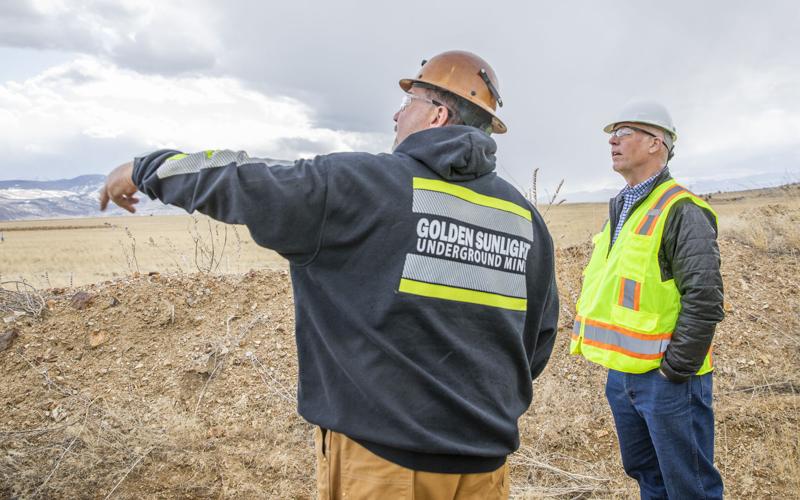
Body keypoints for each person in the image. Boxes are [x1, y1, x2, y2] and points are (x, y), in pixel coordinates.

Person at [100, 50, 559, 500]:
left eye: (408, 103)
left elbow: (242, 178)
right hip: (485, 470)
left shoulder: (361, 186)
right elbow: (536, 342)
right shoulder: (524, 218)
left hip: (385, 470)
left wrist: (145, 169)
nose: (396, 117)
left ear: (437, 115)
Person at [570, 100, 724, 499]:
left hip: (667, 381)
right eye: (611, 134)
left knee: (689, 486)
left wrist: (675, 371)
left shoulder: (682, 209)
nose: (612, 141)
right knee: (649, 478)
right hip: (622, 377)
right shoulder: (621, 207)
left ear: (657, 143)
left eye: (623, 133)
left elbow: (704, 299)